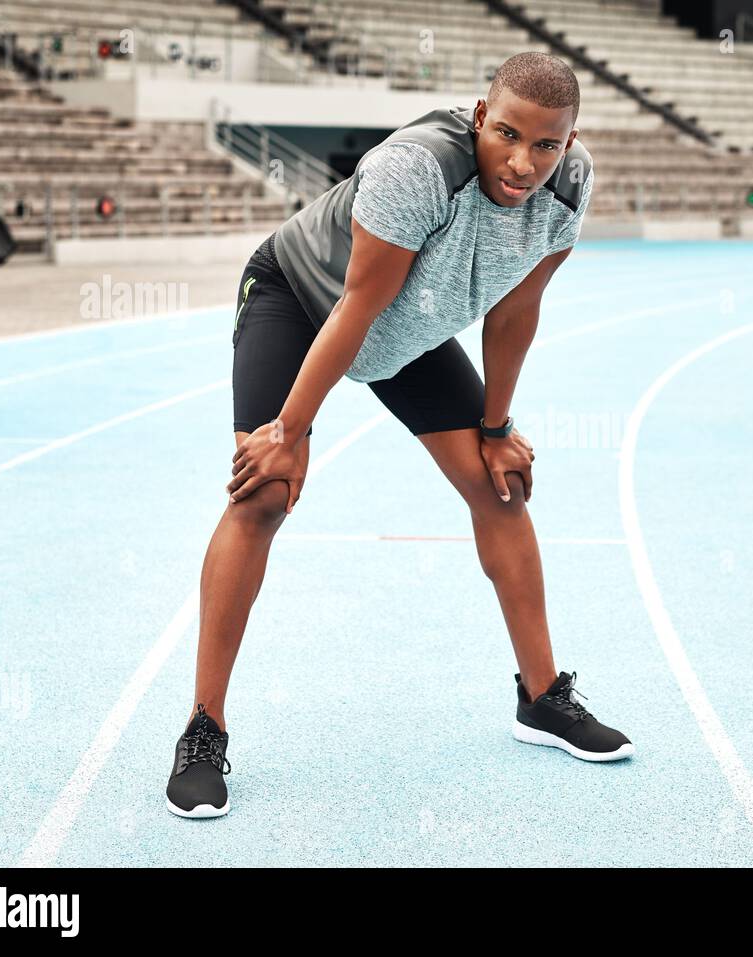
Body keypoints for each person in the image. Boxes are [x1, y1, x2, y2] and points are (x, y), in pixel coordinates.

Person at [166, 52, 633, 820]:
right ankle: (203, 729)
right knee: (265, 494)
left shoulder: (569, 189)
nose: (523, 163)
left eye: (546, 146)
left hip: (402, 334)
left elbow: (514, 313)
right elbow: (356, 303)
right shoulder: (416, 168)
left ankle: (543, 699)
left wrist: (498, 427)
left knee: (498, 485)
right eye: (508, 134)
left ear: (570, 141)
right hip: (306, 301)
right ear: (481, 116)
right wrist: (286, 431)